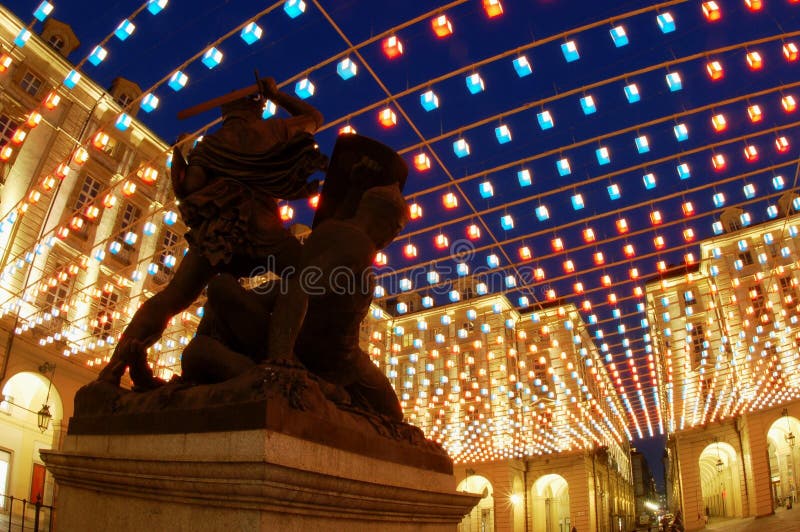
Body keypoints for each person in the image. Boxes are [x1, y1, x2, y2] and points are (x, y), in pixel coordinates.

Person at [98, 77, 327, 390]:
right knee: (306, 275)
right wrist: (278, 95)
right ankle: (286, 355)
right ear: (255, 108)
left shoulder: (212, 143)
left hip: (218, 233)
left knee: (173, 297)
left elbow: (191, 187)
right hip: (261, 228)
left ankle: (113, 368)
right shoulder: (270, 130)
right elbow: (314, 118)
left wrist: (182, 163)